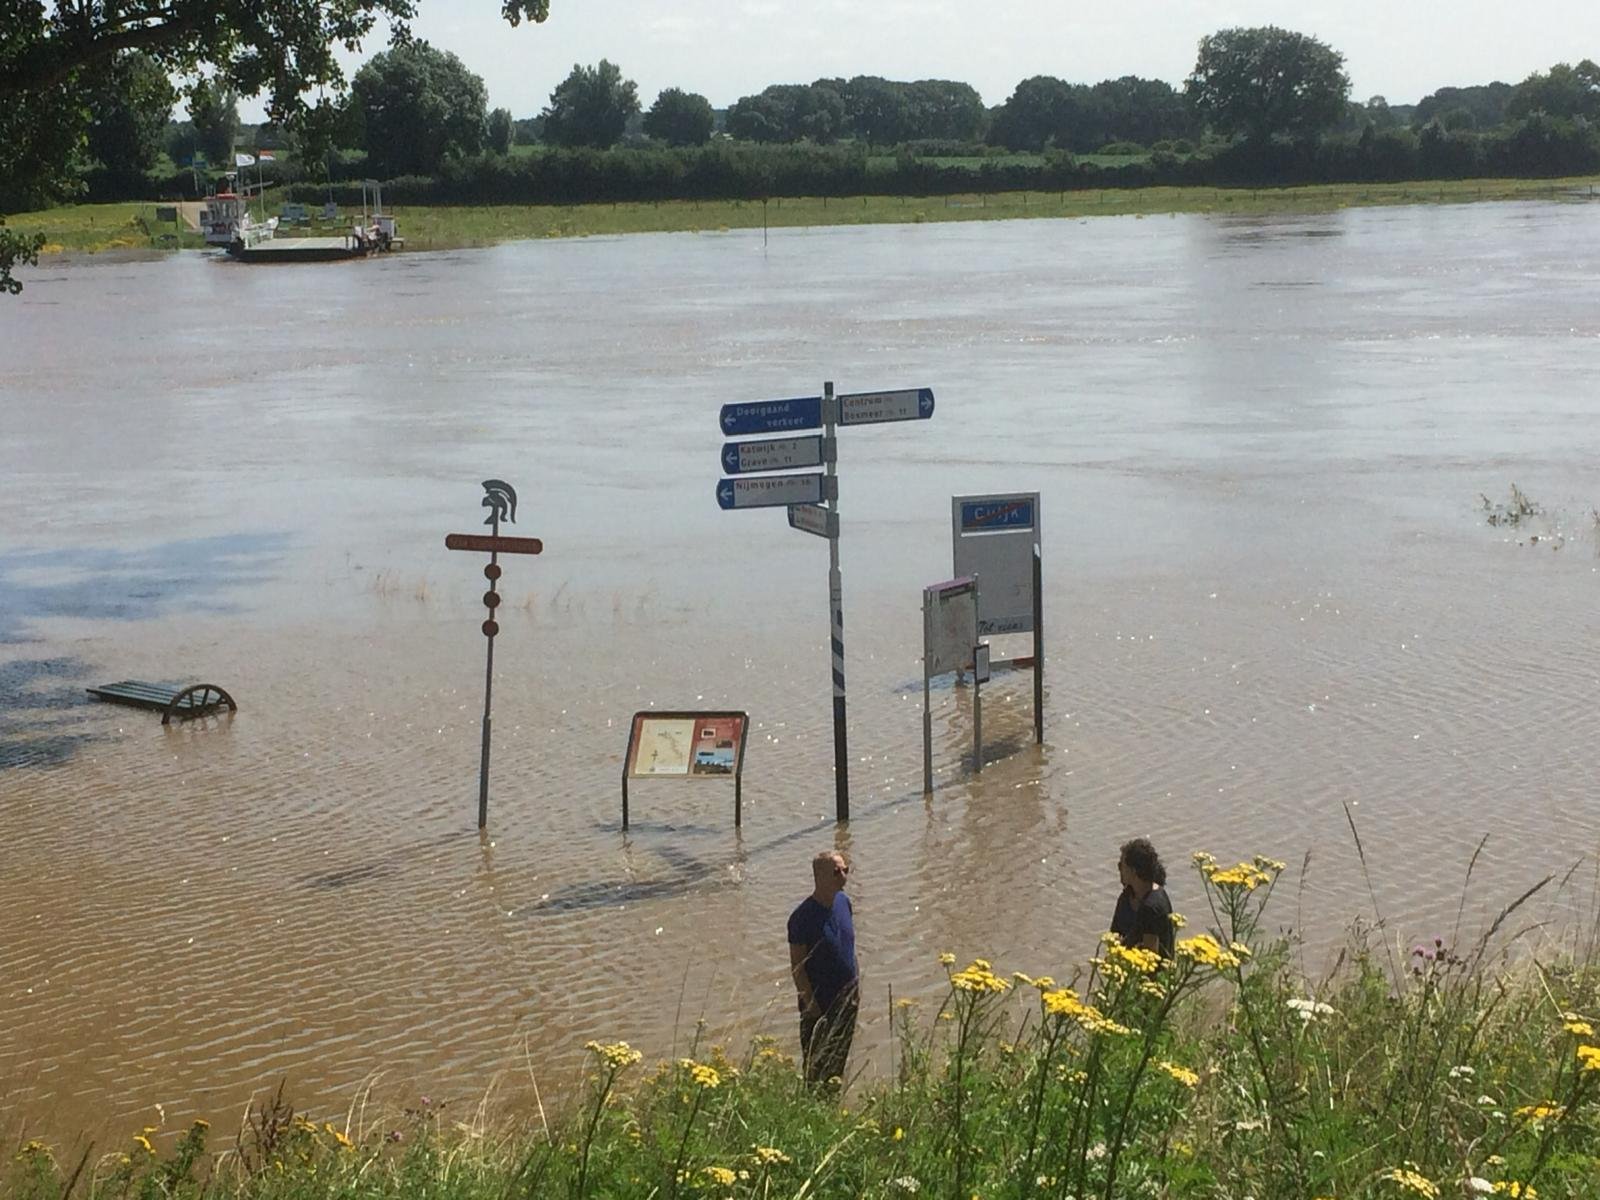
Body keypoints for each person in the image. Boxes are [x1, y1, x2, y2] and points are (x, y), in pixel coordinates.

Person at [787, 849, 859, 1088]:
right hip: (820, 1008)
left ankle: (833, 1104)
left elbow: (848, 945)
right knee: (816, 1072)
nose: (843, 876)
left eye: (845, 870)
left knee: (837, 1068)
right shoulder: (801, 918)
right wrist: (812, 1008)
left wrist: (855, 989)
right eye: (837, 872)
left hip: (847, 1003)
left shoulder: (843, 902)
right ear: (819, 876)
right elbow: (797, 968)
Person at [1110, 837, 1174, 958]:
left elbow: (1150, 958)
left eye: (1121, 866)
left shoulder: (1152, 907)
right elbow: (1114, 938)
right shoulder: (1126, 898)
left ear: (1133, 871)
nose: (1119, 870)